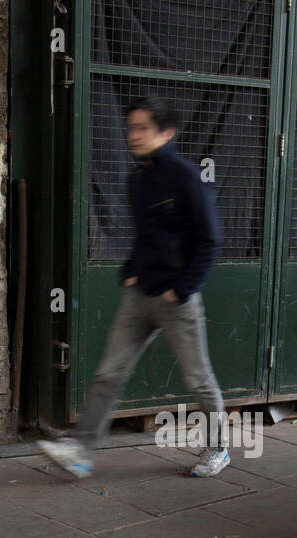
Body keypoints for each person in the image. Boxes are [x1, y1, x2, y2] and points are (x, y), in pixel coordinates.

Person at [38, 96, 230, 479]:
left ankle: (219, 448)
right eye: (131, 127)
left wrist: (184, 289)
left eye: (142, 127)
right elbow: (145, 235)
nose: (133, 135)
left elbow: (211, 239)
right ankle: (80, 453)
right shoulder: (138, 177)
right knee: (109, 373)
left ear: (166, 133)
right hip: (139, 295)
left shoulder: (185, 176)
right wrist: (131, 269)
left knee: (198, 378)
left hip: (177, 300)